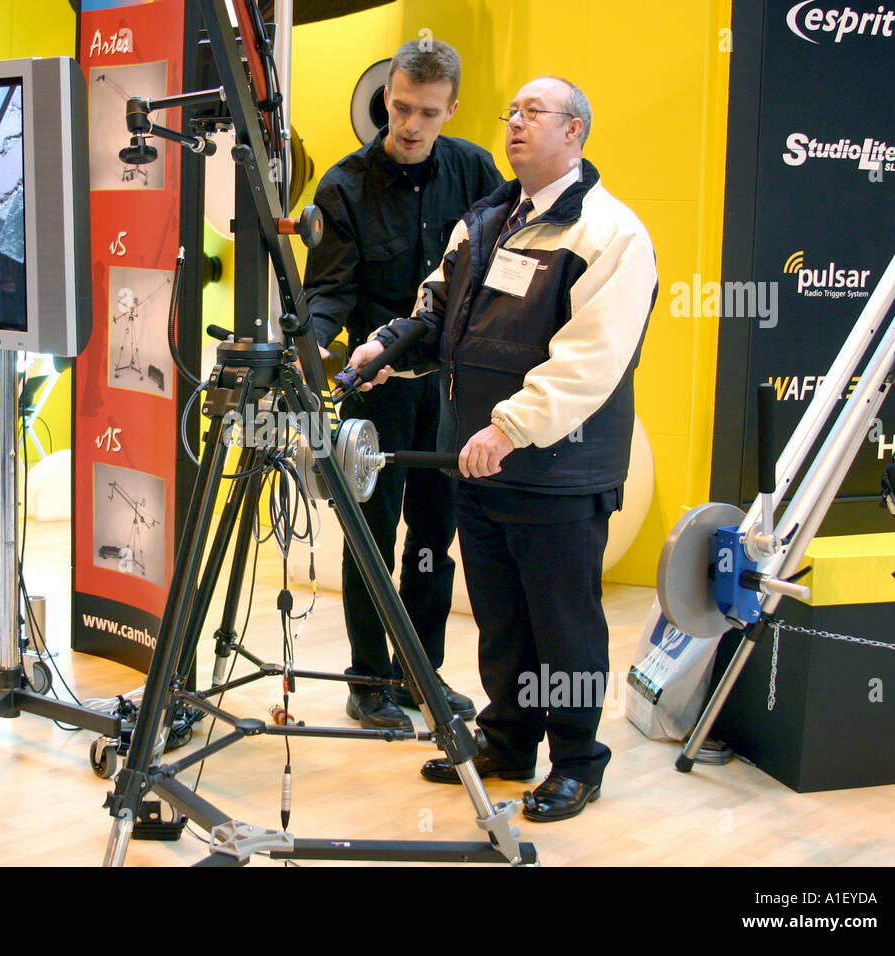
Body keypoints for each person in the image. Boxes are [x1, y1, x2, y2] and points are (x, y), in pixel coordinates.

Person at [348, 76, 657, 821]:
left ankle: (579, 760)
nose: (514, 124)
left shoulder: (610, 234)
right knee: (501, 617)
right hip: (477, 462)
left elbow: (591, 359)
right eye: (510, 113)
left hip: (555, 468)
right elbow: (437, 306)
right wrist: (389, 348)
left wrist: (511, 426)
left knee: (565, 622)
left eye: (533, 113)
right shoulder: (486, 220)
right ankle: (510, 738)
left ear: (575, 130)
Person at [303, 39, 503, 732]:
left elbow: (491, 279)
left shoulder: (478, 171)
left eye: (427, 112)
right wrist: (310, 345)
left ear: (451, 108)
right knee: (372, 534)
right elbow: (328, 291)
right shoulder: (342, 186)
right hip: (374, 387)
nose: (411, 125)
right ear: (385, 96)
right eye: (400, 107)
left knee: (433, 536)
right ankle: (368, 681)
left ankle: (421, 671)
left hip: (446, 392)